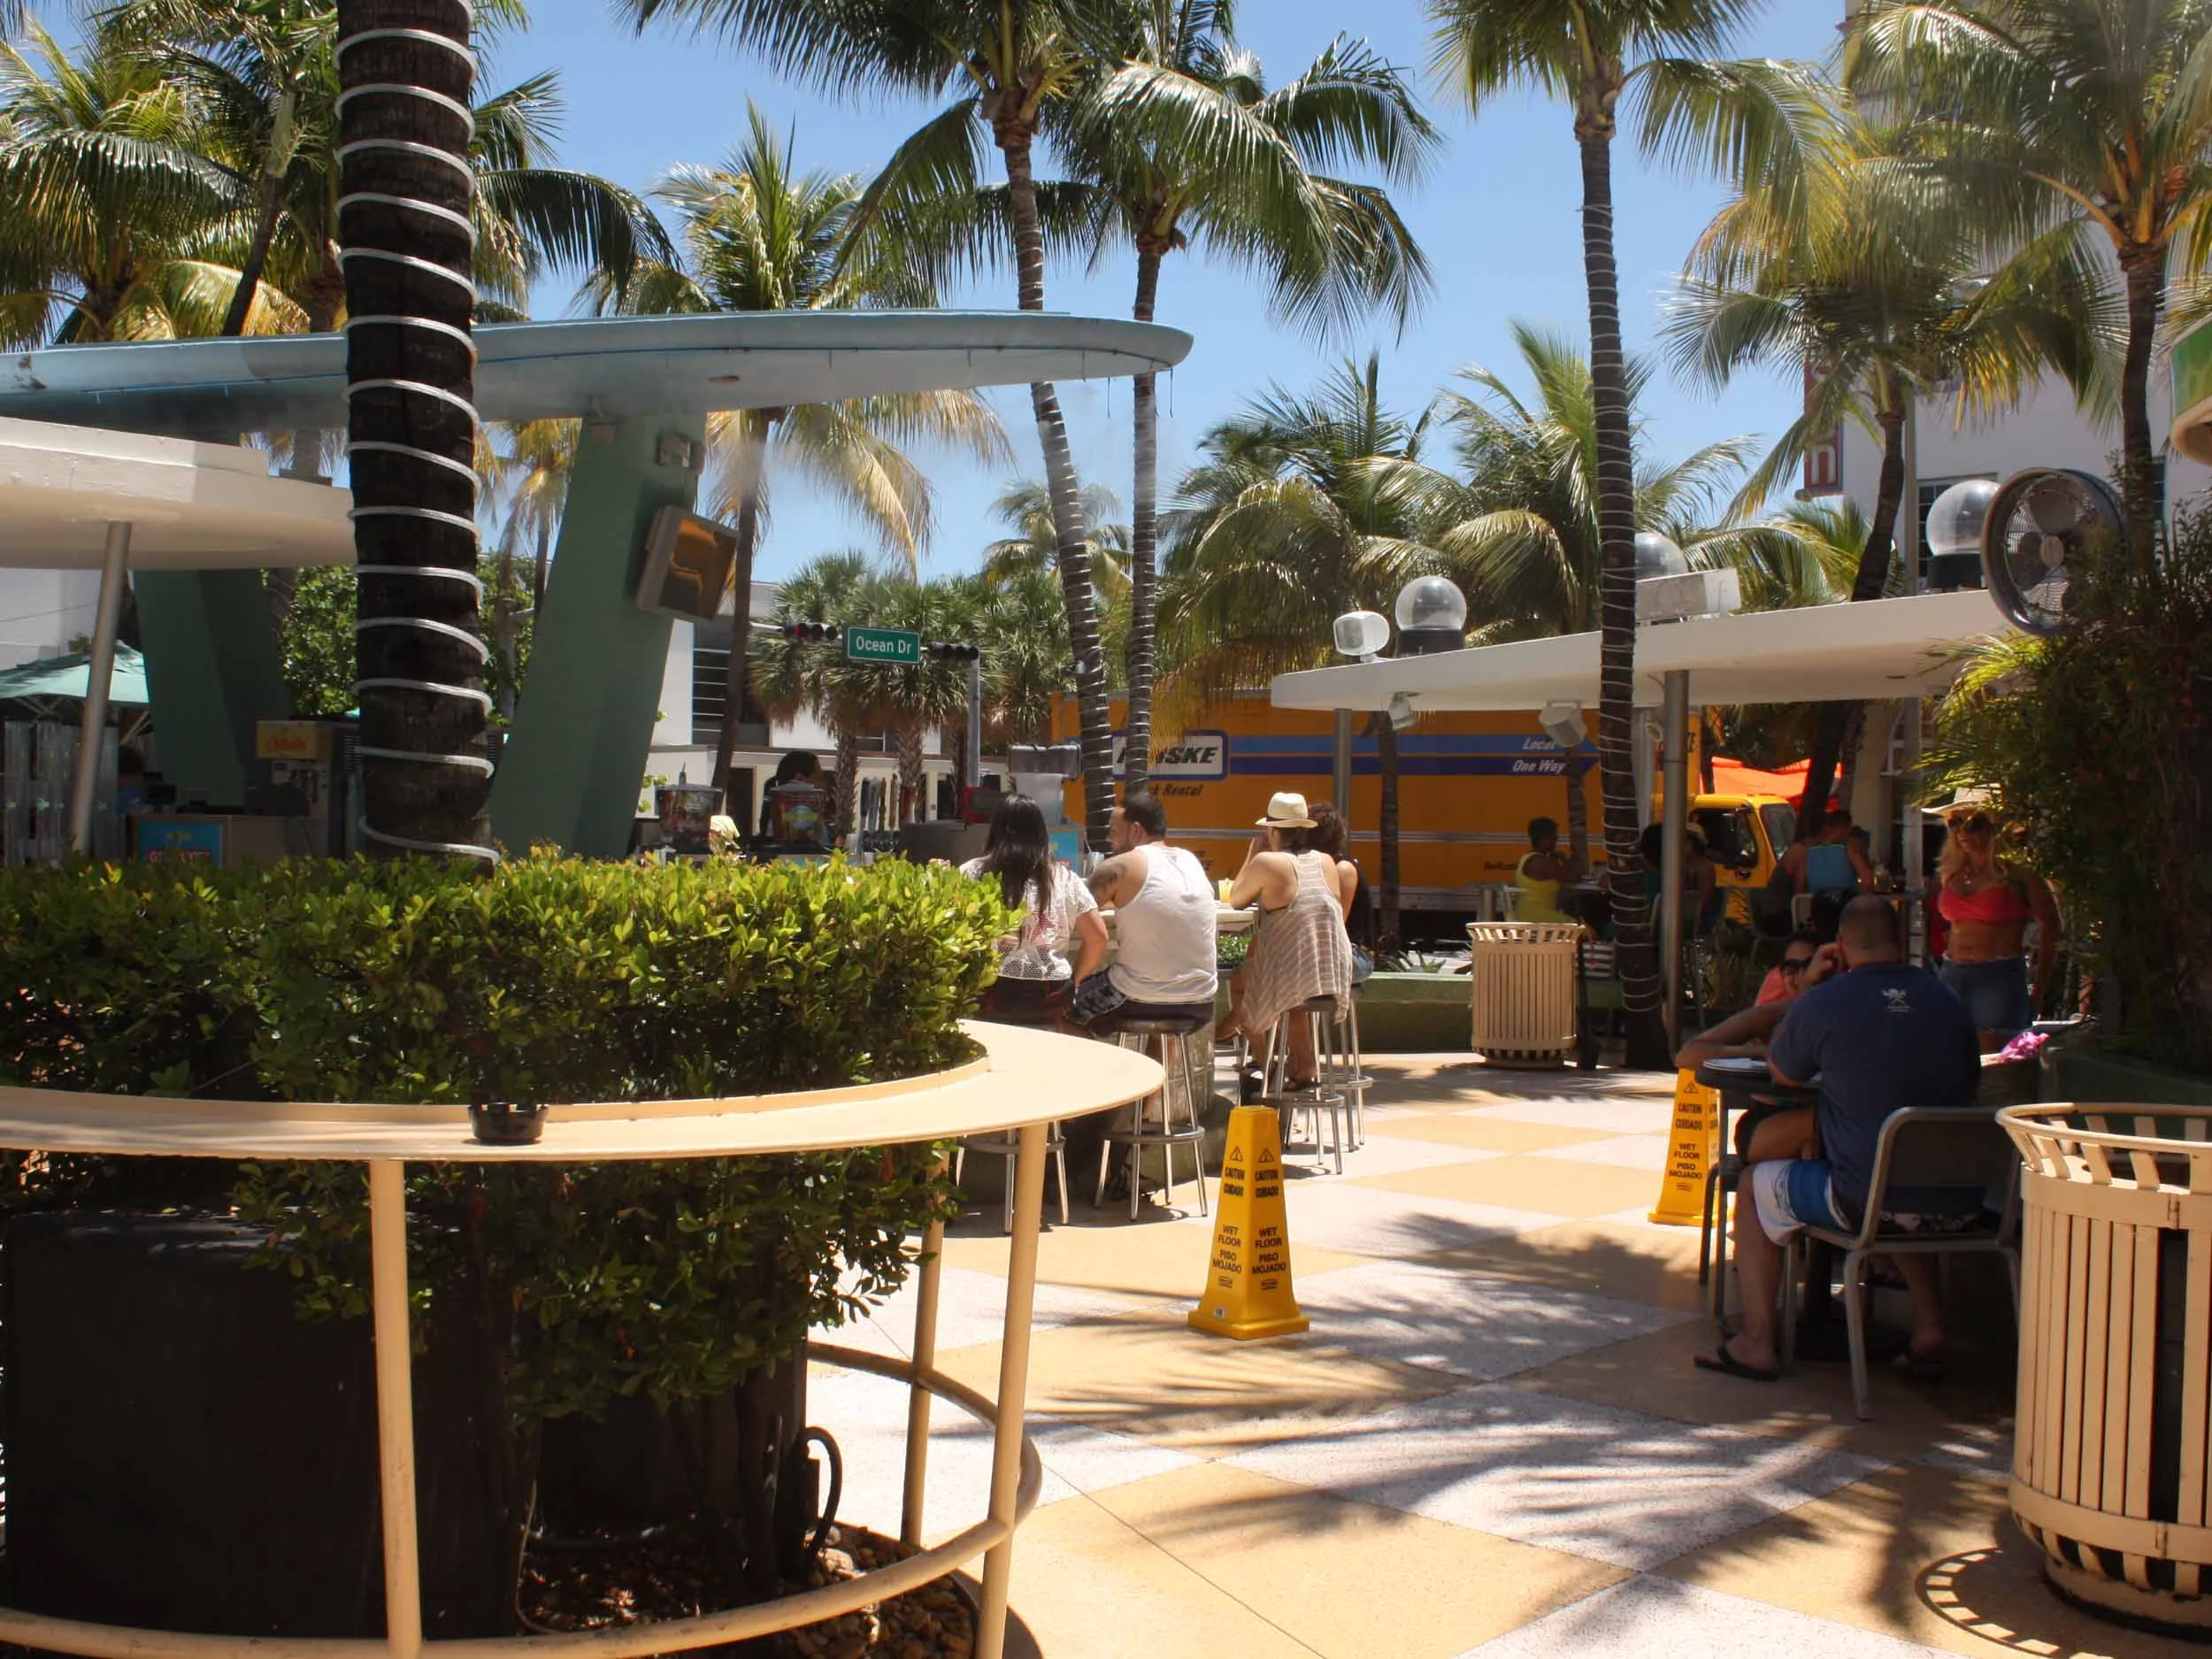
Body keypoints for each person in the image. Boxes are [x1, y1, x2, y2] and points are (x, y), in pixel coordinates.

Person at [1695, 897, 1978, 1383]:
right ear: (1901, 942)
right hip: (1957, 1201)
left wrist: (1808, 992)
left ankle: (1758, 1341)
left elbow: (1783, 1073)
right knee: (1903, 1171)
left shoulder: (1828, 1003)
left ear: (1842, 947)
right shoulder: (1948, 1001)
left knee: (1755, 1183)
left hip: (1863, 1201)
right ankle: (1930, 1325)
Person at [1223, 793, 1352, 1100]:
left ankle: (1268, 1059)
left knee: (1244, 981)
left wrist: (1252, 854)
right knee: (1272, 982)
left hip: (1300, 975)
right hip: (1333, 969)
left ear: (1271, 830)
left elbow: (1236, 900)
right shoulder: (1324, 861)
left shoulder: (1267, 860)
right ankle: (1295, 1061)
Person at [1075, 789, 1217, 1029]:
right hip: (1201, 1001)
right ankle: (1158, 1067)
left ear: (1135, 830)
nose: (1110, 841)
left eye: (1113, 832)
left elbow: (1074, 912)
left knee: (1062, 1009)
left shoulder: (1119, 867)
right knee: (1161, 1025)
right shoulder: (1190, 861)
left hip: (1136, 997)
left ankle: (1107, 1067)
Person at [1928, 791, 2061, 1048]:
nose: (1962, 832)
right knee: (1947, 1056)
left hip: (1997, 976)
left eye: (1973, 824)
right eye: (1955, 823)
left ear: (1995, 825)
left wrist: (2040, 989)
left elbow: (2052, 926)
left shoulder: (2019, 873)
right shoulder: (1952, 871)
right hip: (1951, 972)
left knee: (1993, 1065)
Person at [961, 795, 1106, 1025]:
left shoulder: (972, 873)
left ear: (996, 830)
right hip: (1050, 996)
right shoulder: (1065, 879)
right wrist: (1073, 980)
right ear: (1041, 833)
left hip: (990, 993)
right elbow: (1098, 938)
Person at [1310, 803, 1373, 982]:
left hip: (1356, 956)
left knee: (1287, 971)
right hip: (1329, 952)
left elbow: (1334, 926)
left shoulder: (1343, 869)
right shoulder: (1324, 866)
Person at [1512, 817, 1578, 923]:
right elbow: (1573, 877)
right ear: (1545, 839)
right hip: (1540, 918)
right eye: (1555, 838)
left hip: (1525, 914)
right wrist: (1564, 859)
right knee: (1584, 929)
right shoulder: (1543, 862)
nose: (1555, 842)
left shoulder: (1526, 858)